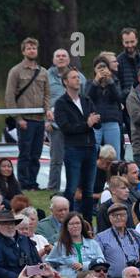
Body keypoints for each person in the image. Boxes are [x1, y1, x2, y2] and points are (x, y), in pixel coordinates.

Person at [54, 68, 100, 221]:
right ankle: (68, 219)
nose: (77, 80)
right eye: (73, 77)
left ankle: (86, 223)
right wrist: (87, 124)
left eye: (78, 77)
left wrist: (96, 121)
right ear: (65, 82)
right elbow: (66, 128)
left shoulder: (86, 99)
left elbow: (96, 121)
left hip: (90, 147)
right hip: (73, 149)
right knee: (72, 188)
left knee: (88, 189)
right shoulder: (61, 103)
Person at [4, 38, 49, 191]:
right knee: (25, 153)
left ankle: (33, 182)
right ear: (23, 51)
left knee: (36, 153)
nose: (32, 50)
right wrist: (18, 118)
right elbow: (9, 96)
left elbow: (47, 94)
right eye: (28, 48)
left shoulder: (43, 71)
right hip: (24, 120)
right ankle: (23, 183)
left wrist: (47, 111)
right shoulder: (15, 71)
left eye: (34, 48)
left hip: (39, 119)